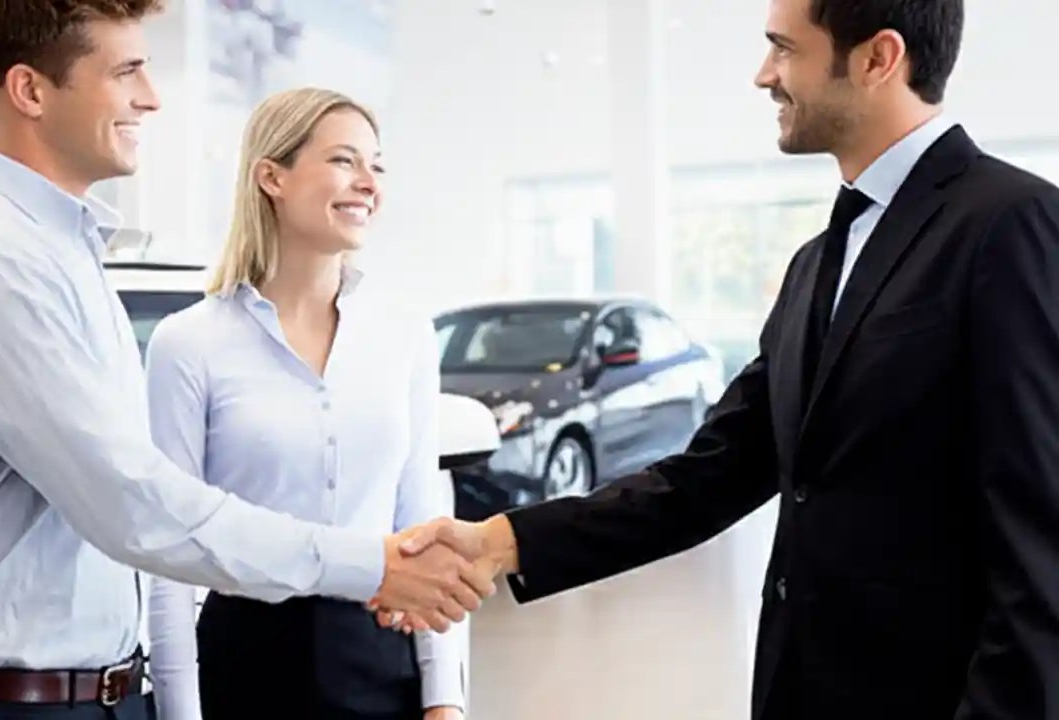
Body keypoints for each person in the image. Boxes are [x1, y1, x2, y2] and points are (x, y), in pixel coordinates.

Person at [385, 0, 1059, 717]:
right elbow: (711, 475)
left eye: (784, 49)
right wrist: (499, 541)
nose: (764, 75)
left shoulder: (1011, 224)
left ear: (877, 58)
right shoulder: (815, 263)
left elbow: (1041, 546)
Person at [0, 3, 492, 719]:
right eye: (126, 72)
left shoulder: (67, 257)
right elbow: (133, 504)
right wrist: (370, 563)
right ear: (30, 91)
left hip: (106, 694)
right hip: (31, 706)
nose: (151, 97)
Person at [143, 87, 465, 720]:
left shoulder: (404, 335)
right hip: (246, 665)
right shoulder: (189, 343)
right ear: (273, 177)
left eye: (376, 165)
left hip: (382, 657)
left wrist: (445, 699)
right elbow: (170, 559)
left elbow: (423, 523)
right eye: (344, 160)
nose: (368, 182)